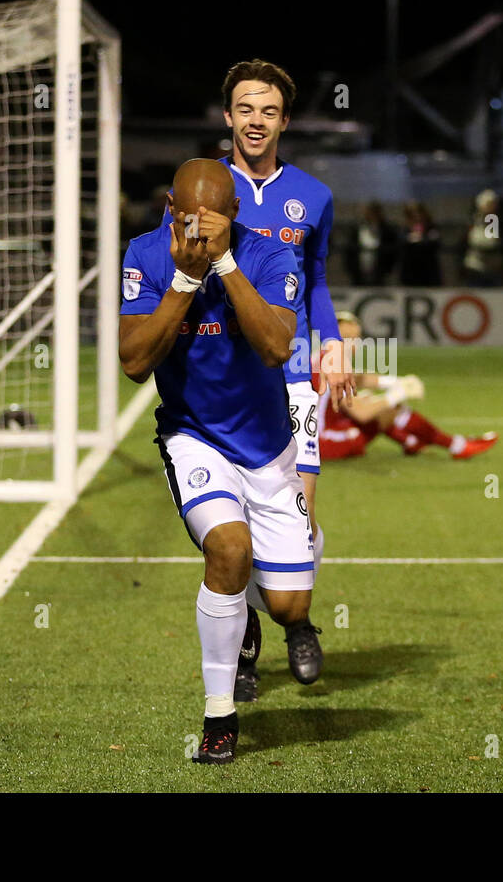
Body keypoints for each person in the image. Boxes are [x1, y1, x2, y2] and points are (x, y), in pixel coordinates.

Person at [170, 59, 354, 705]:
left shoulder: (314, 195)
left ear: (283, 120)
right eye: (245, 108)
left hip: (293, 371)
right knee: (234, 525)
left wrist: (331, 340)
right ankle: (243, 632)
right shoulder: (200, 187)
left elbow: (319, 281)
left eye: (268, 110)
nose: (256, 120)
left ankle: (295, 620)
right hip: (225, 378)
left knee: (296, 511)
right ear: (228, 117)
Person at [120, 159, 309, 765]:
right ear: (168, 203)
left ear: (234, 215)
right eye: (181, 216)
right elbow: (133, 361)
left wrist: (223, 268)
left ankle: (260, 607)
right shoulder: (146, 254)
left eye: (208, 221)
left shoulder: (269, 254)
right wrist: (181, 281)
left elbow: (277, 346)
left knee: (289, 606)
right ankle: (219, 716)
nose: (193, 230)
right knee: (228, 550)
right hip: (194, 436)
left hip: (266, 444)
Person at [318, 312, 498, 461]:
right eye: (346, 338)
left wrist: (396, 381)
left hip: (313, 433)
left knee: (375, 402)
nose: (353, 344)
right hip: (322, 443)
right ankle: (454, 446)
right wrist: (398, 393)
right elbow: (362, 414)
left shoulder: (322, 356)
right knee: (382, 408)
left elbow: (359, 379)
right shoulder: (335, 363)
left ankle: (416, 443)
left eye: (356, 338)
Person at [462, 188, 503, 287]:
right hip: (475, 267)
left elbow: (490, 243)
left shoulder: (495, 220)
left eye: (493, 204)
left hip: (493, 268)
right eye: (488, 204)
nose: (491, 207)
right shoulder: (474, 219)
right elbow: (469, 240)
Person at [347, 201, 397, 285]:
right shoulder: (357, 229)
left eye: (375, 213)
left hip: (380, 275)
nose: (372, 216)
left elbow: (392, 251)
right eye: (369, 213)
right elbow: (350, 250)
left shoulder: (387, 231)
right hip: (358, 275)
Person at [398, 201, 443, 286]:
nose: (416, 217)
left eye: (419, 213)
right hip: (409, 273)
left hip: (428, 273)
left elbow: (434, 243)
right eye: (412, 215)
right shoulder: (404, 230)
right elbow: (402, 243)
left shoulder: (432, 228)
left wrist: (419, 238)